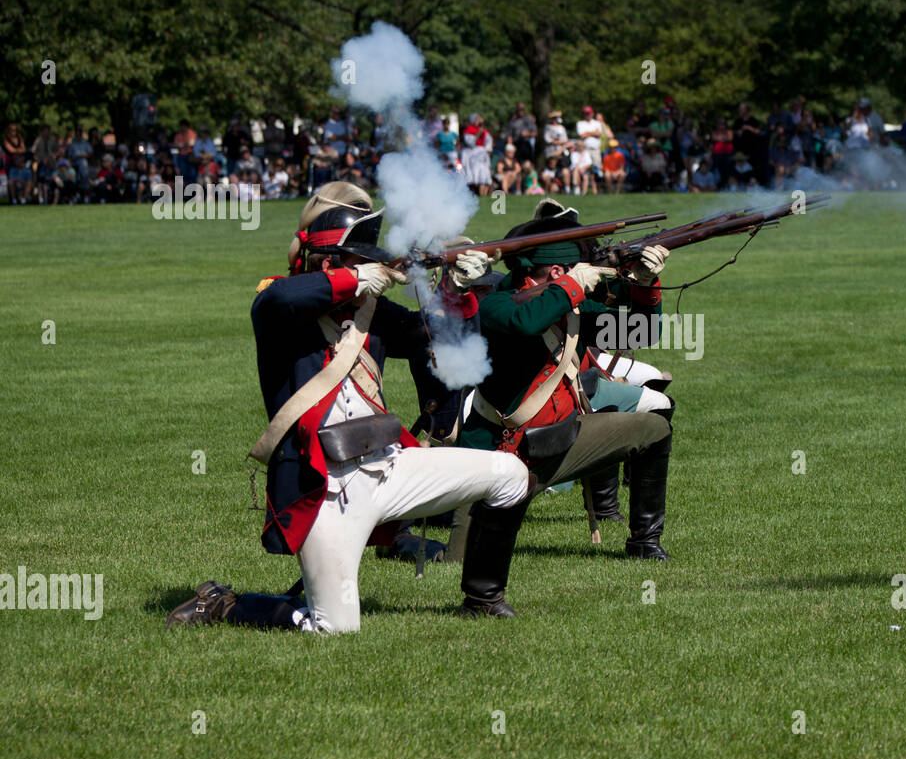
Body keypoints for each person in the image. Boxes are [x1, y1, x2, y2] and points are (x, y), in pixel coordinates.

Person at [167, 184, 529, 631]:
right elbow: (281, 299)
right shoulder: (279, 303)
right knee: (334, 627)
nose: (372, 269)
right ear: (325, 263)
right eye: (360, 260)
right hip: (326, 489)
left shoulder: (373, 312)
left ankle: (483, 596)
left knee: (511, 475)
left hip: (390, 468)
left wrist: (456, 288)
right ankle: (224, 604)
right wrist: (357, 280)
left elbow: (433, 341)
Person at [458, 199, 676, 560]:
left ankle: (644, 542)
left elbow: (639, 333)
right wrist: (572, 286)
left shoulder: (571, 307)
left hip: (561, 442)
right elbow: (527, 323)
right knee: (461, 557)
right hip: (501, 452)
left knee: (654, 430)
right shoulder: (497, 306)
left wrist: (646, 285)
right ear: (560, 270)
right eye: (574, 268)